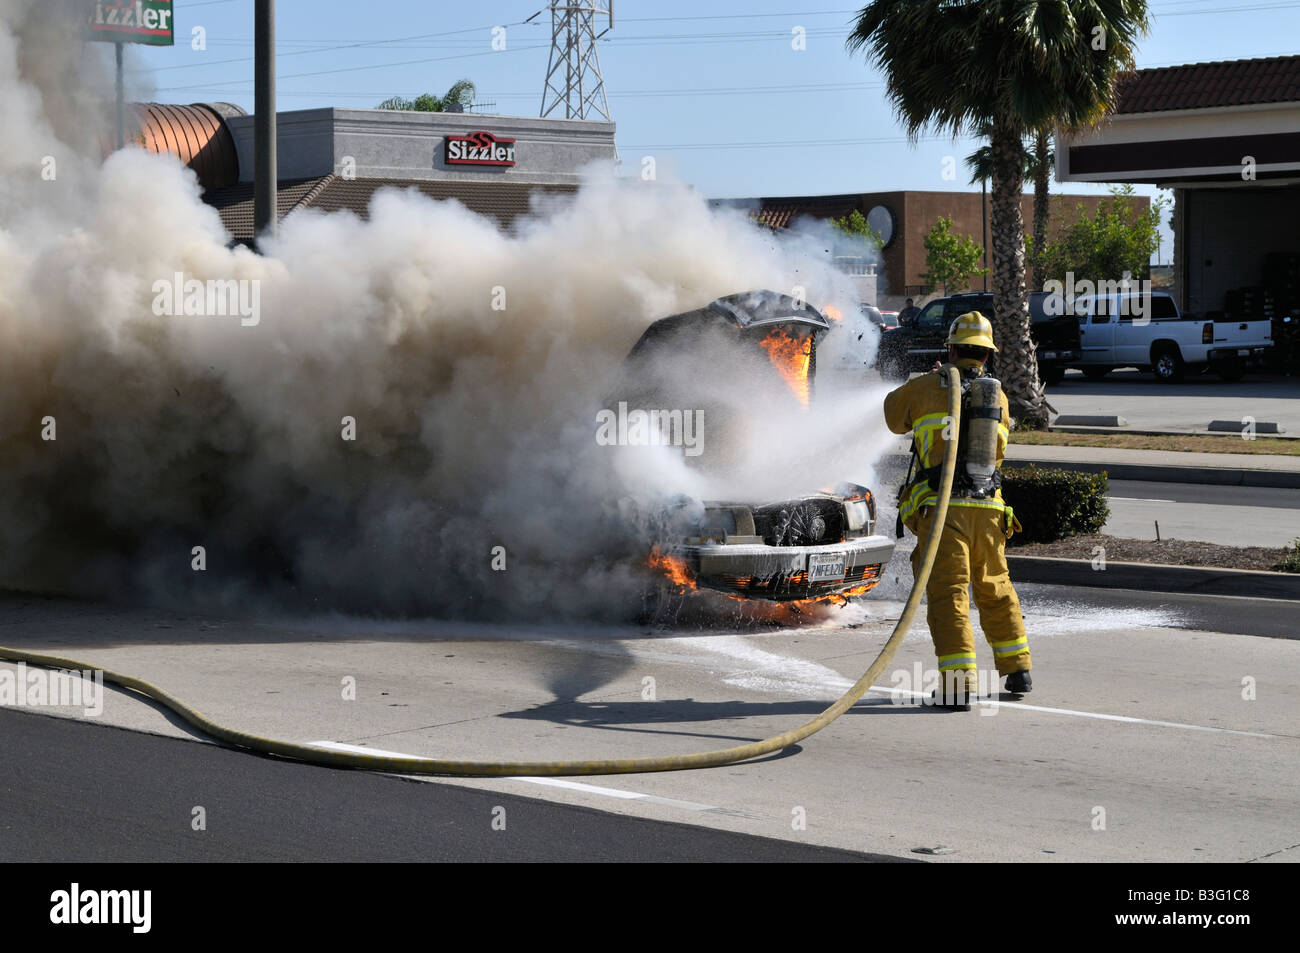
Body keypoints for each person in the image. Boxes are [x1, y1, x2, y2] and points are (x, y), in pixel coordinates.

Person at [883, 311, 1032, 711]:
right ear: (986, 355)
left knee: (950, 596)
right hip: (989, 508)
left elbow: (892, 417)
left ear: (950, 348)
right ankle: (1017, 667)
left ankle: (957, 685)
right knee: (995, 587)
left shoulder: (926, 387)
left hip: (945, 508)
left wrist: (928, 382)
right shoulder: (996, 396)